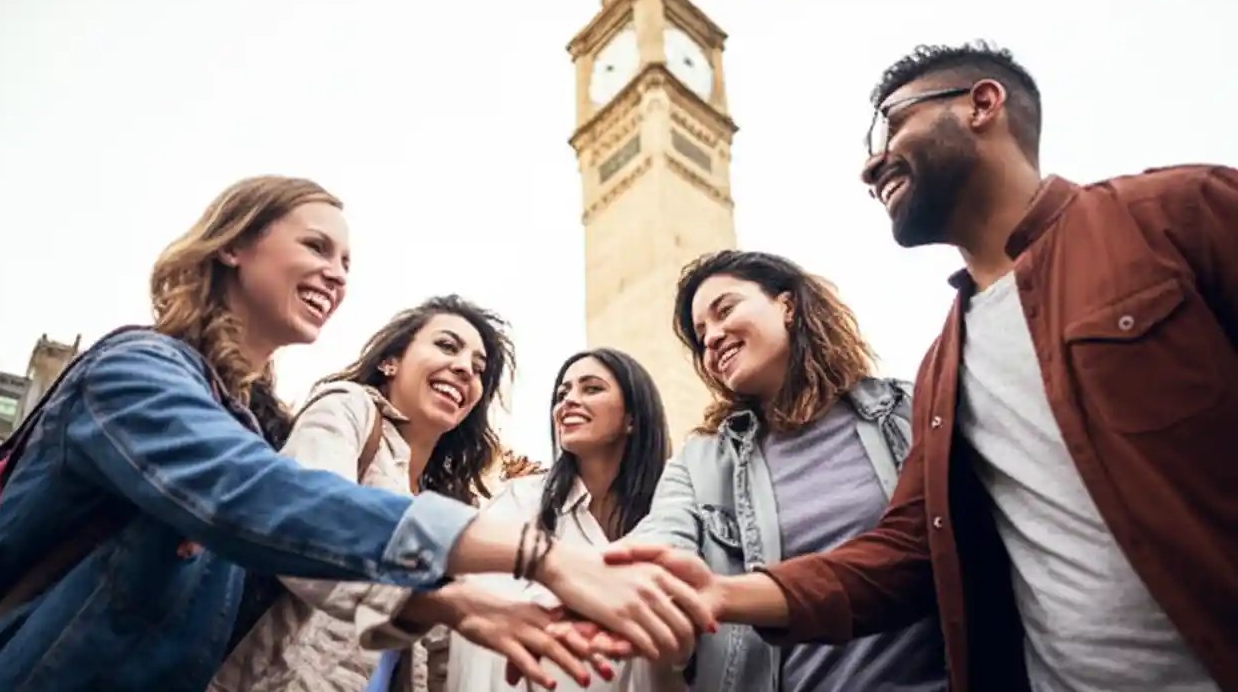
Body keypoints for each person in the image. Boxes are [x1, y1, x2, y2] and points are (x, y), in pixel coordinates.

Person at [611, 42, 1238, 692]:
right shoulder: (945, 372)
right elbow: (908, 557)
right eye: (697, 332)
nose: (871, 163)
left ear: (982, 105)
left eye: (894, 123)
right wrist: (718, 596)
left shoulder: (1176, 217)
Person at [0, 176, 717, 691]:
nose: (336, 273)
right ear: (234, 244)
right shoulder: (135, 371)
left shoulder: (254, 425)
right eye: (316, 246)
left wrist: (448, 607)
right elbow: (264, 500)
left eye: (347, 261)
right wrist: (536, 556)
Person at [214, 295, 618, 691]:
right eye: (446, 346)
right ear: (391, 361)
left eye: (479, 369)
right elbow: (308, 523)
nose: (464, 370)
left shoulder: (451, 505)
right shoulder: (349, 410)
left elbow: (439, 655)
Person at [619, 250, 945, 692]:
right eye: (701, 335)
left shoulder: (911, 411)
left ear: (787, 306)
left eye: (725, 310)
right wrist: (608, 581)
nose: (712, 338)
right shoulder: (697, 466)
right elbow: (660, 540)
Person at [446, 348, 678, 692]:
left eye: (592, 388)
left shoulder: (672, 513)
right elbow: (485, 605)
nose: (569, 401)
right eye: (562, 393)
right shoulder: (519, 501)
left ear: (633, 417)